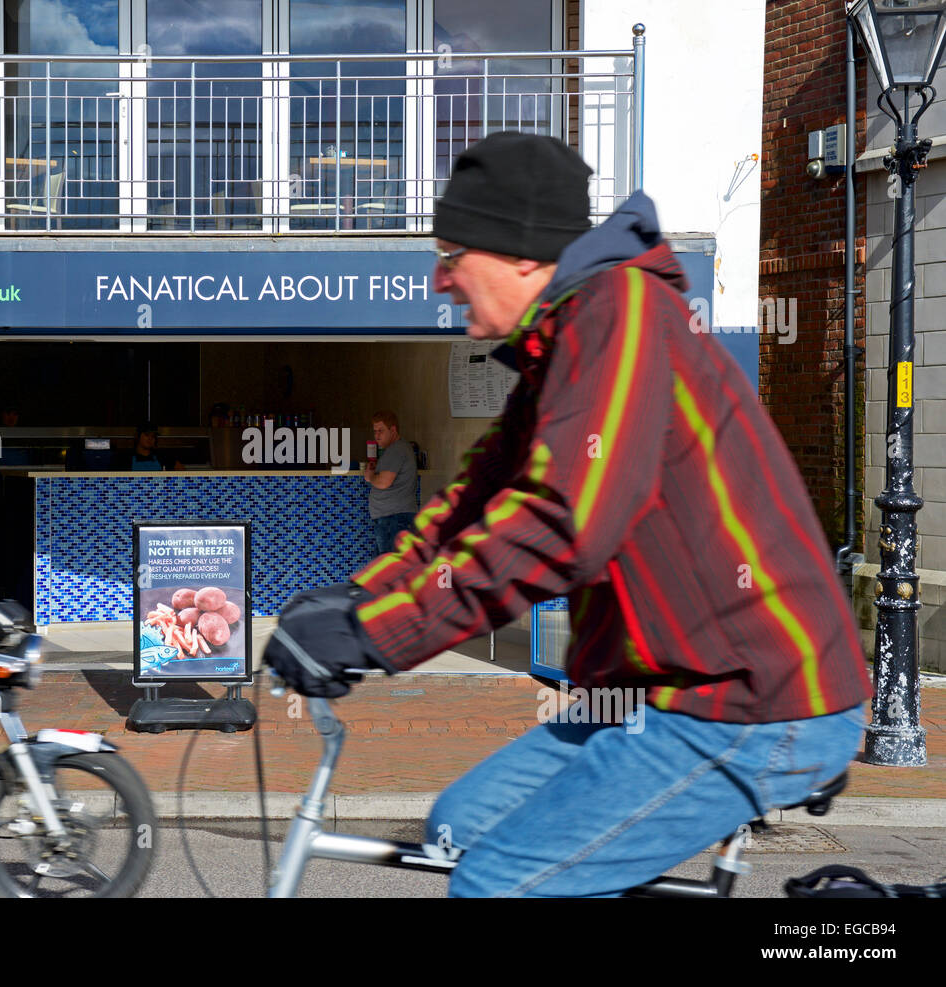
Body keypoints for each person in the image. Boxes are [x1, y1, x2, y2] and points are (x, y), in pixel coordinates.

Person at [262, 132, 871, 897]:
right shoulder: (557, 352)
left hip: (749, 696)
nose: (438, 281)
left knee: (498, 883)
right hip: (656, 694)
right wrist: (358, 599)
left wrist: (378, 633)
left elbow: (561, 520)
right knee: (458, 828)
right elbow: (470, 507)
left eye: (452, 256)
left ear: (520, 253)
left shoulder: (622, 316)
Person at [365, 411, 418, 554]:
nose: (377, 436)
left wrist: (370, 477)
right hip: (393, 519)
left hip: (394, 520)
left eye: (381, 431)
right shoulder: (395, 450)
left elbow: (384, 482)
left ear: (393, 430)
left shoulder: (397, 449)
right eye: (375, 431)